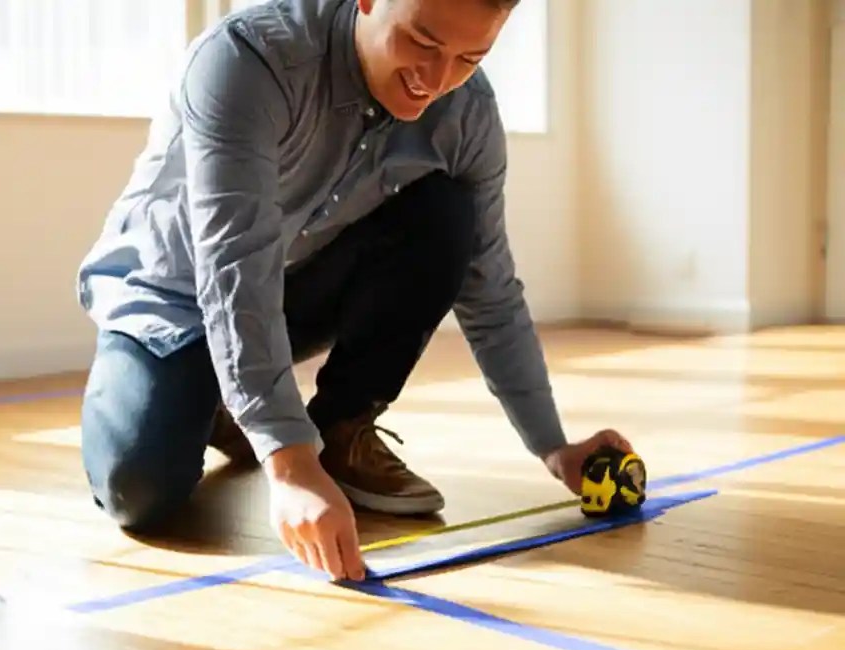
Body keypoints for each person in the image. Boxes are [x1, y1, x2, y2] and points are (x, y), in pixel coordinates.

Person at [74, 0, 633, 582]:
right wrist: (289, 463)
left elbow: (490, 288)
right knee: (138, 491)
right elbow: (236, 269)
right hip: (172, 302)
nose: (436, 79)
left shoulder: (467, 112)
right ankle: (220, 403)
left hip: (291, 289)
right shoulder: (247, 61)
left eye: (470, 57)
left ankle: (339, 429)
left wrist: (553, 448)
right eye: (422, 42)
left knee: (446, 213)